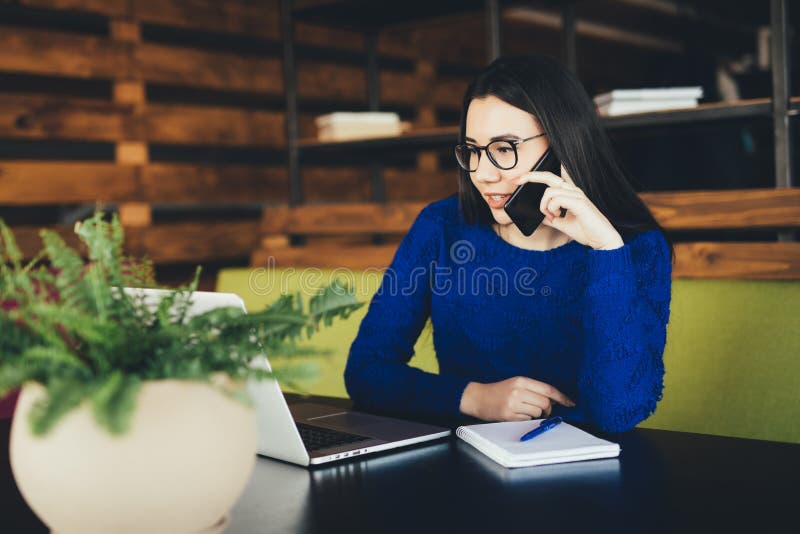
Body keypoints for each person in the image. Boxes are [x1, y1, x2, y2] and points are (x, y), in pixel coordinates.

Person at [344, 54, 673, 433]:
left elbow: (619, 412)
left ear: (562, 145)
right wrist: (476, 398)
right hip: (467, 464)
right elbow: (367, 370)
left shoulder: (634, 248)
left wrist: (606, 253)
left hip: (591, 473)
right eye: (472, 150)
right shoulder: (443, 227)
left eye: (504, 149)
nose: (482, 174)